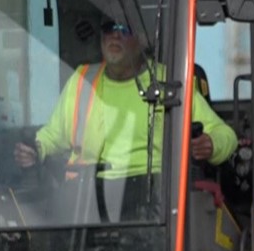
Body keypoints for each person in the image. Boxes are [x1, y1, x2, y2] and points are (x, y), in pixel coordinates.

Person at [13, 18, 237, 187]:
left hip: (156, 193)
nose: (115, 36)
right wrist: (36, 149)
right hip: (87, 195)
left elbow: (225, 134)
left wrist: (211, 144)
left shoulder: (169, 82)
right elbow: (53, 135)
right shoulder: (82, 81)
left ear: (141, 39)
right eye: (109, 28)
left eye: (125, 29)